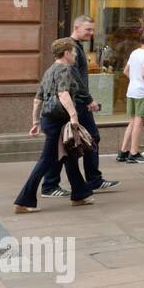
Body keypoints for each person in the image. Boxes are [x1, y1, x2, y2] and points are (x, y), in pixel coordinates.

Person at [15, 39, 97, 212]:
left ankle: (80, 194)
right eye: (73, 52)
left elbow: (38, 99)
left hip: (48, 120)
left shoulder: (49, 70)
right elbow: (63, 93)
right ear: (66, 53)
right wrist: (74, 116)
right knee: (47, 160)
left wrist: (36, 122)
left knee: (70, 156)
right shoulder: (65, 70)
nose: (75, 55)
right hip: (60, 120)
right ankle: (24, 201)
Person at [40, 16, 117, 198]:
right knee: (77, 142)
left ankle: (82, 182)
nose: (91, 33)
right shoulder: (71, 48)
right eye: (87, 30)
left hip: (78, 102)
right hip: (78, 103)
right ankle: (56, 185)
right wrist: (89, 99)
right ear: (76, 27)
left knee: (66, 145)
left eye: (92, 29)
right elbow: (75, 79)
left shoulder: (77, 47)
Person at [116, 30, 144, 164]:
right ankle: (133, 153)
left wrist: (134, 80)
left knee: (133, 121)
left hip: (132, 90)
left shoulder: (134, 52)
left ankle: (123, 152)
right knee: (139, 123)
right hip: (142, 92)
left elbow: (125, 70)